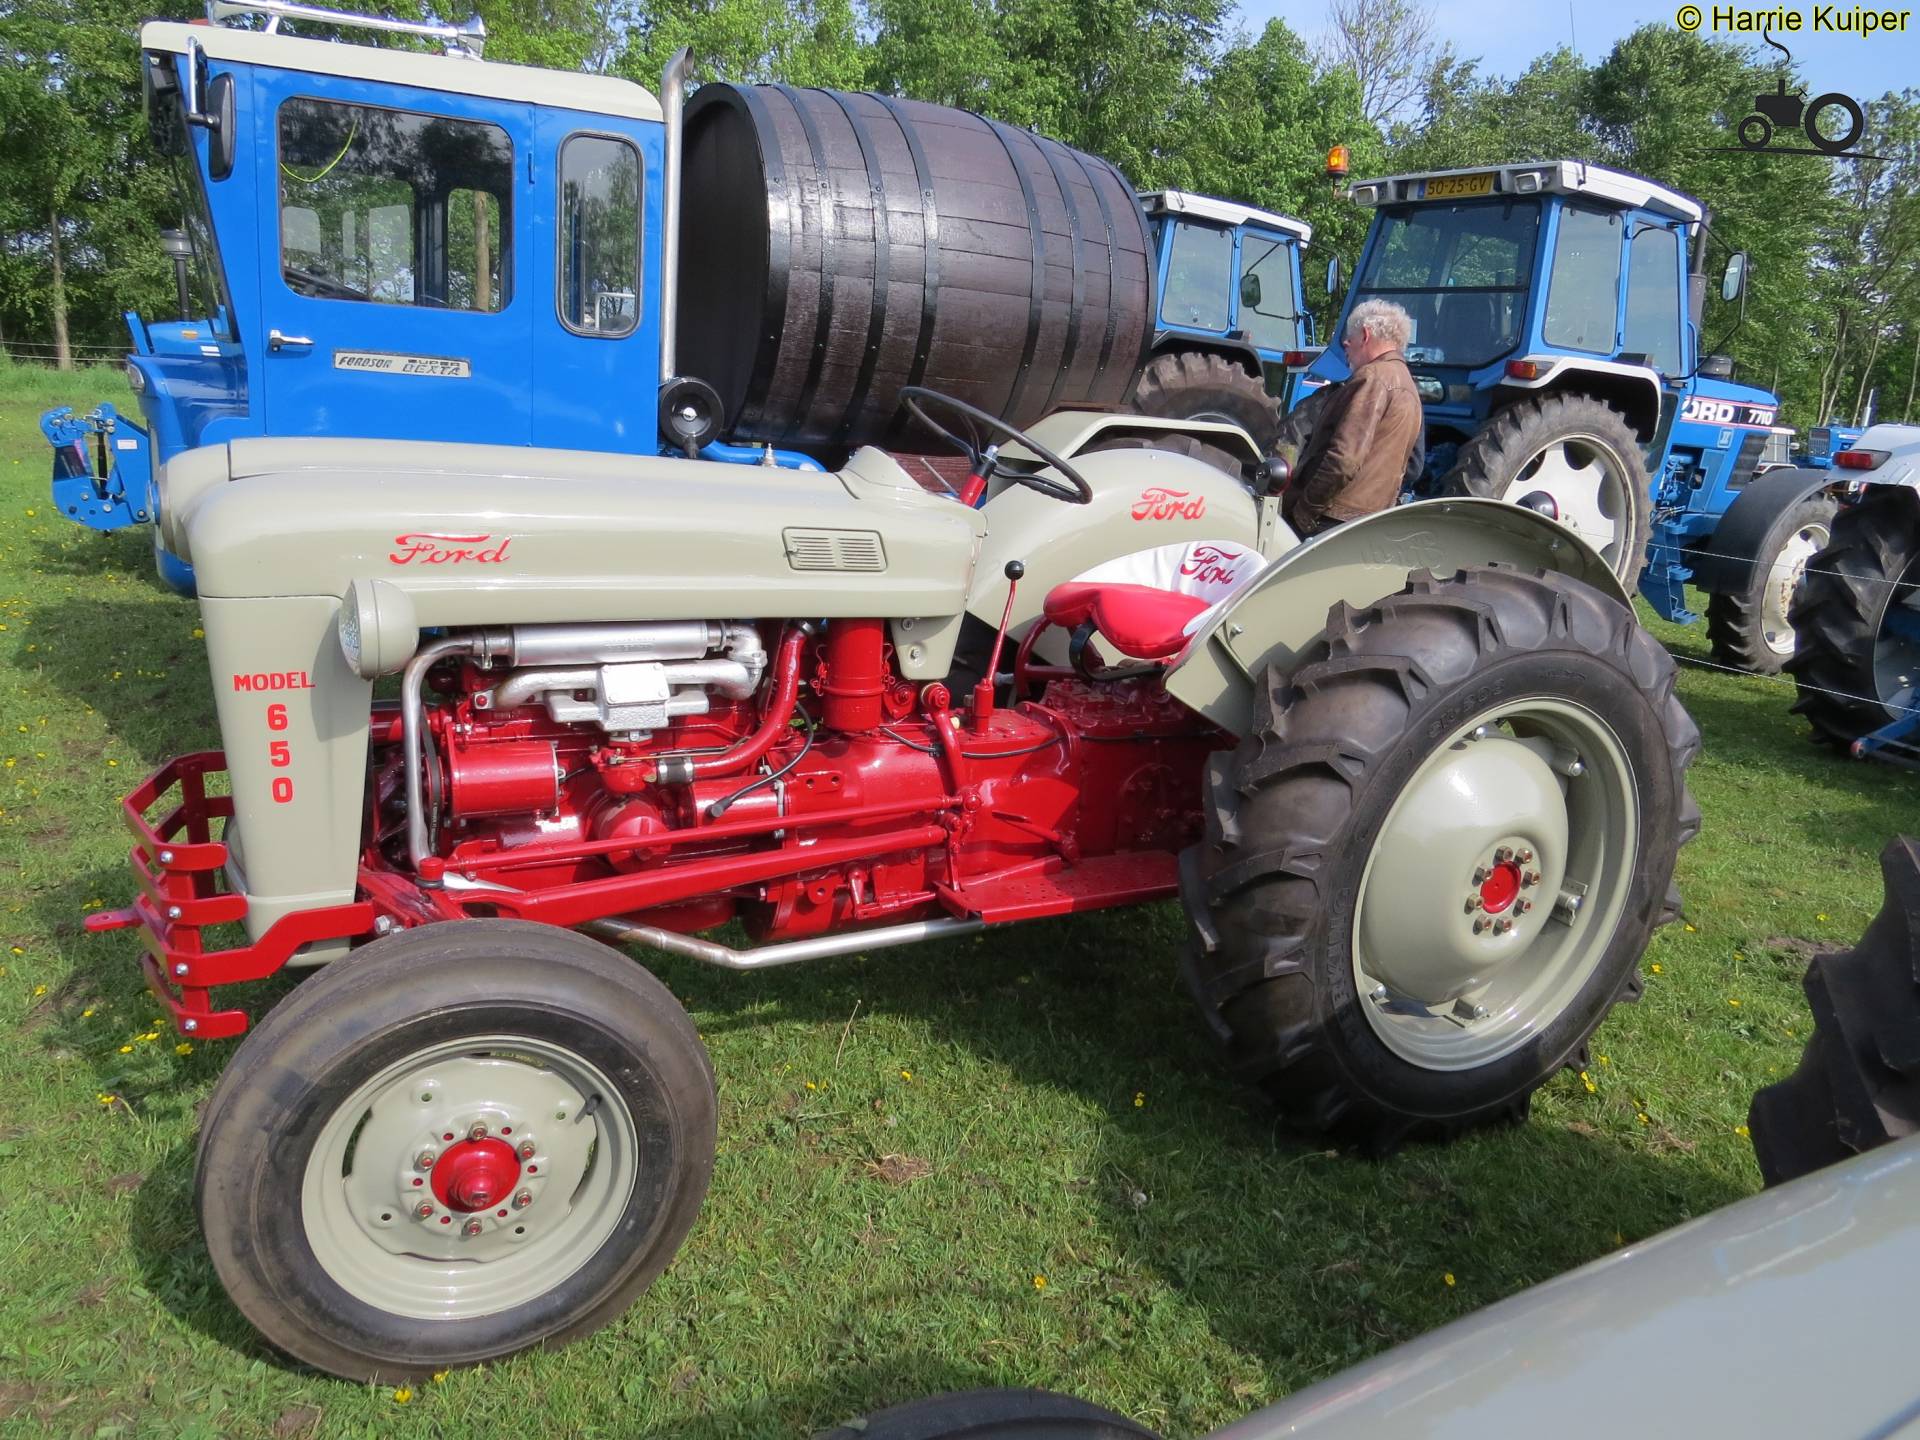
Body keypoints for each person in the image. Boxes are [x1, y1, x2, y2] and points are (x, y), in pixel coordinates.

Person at [1281, 299, 1424, 538]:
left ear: (1366, 335)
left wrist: (1305, 511)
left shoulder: (1372, 378)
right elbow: (1410, 467)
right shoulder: (1409, 386)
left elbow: (1343, 460)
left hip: (1331, 517)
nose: (1346, 343)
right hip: (1366, 521)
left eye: (1351, 336)